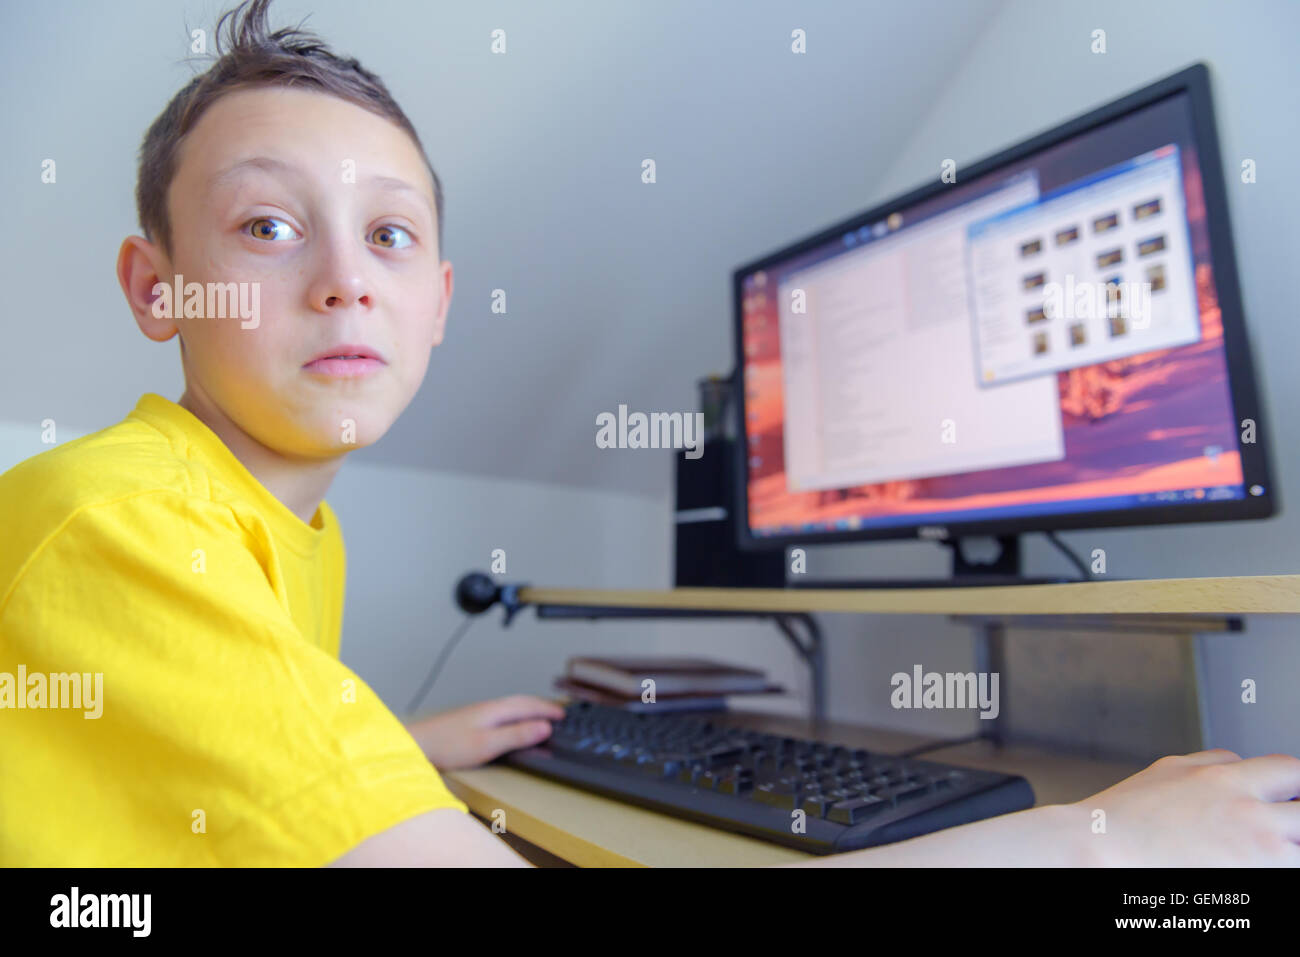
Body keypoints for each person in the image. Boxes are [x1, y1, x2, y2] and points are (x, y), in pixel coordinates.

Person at [1, 0, 1295, 868]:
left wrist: (391, 742)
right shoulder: (119, 527)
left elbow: (229, 743)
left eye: (389, 234)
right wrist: (1100, 838)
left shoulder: (266, 518)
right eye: (268, 226)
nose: (346, 279)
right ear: (156, 284)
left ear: (440, 301)